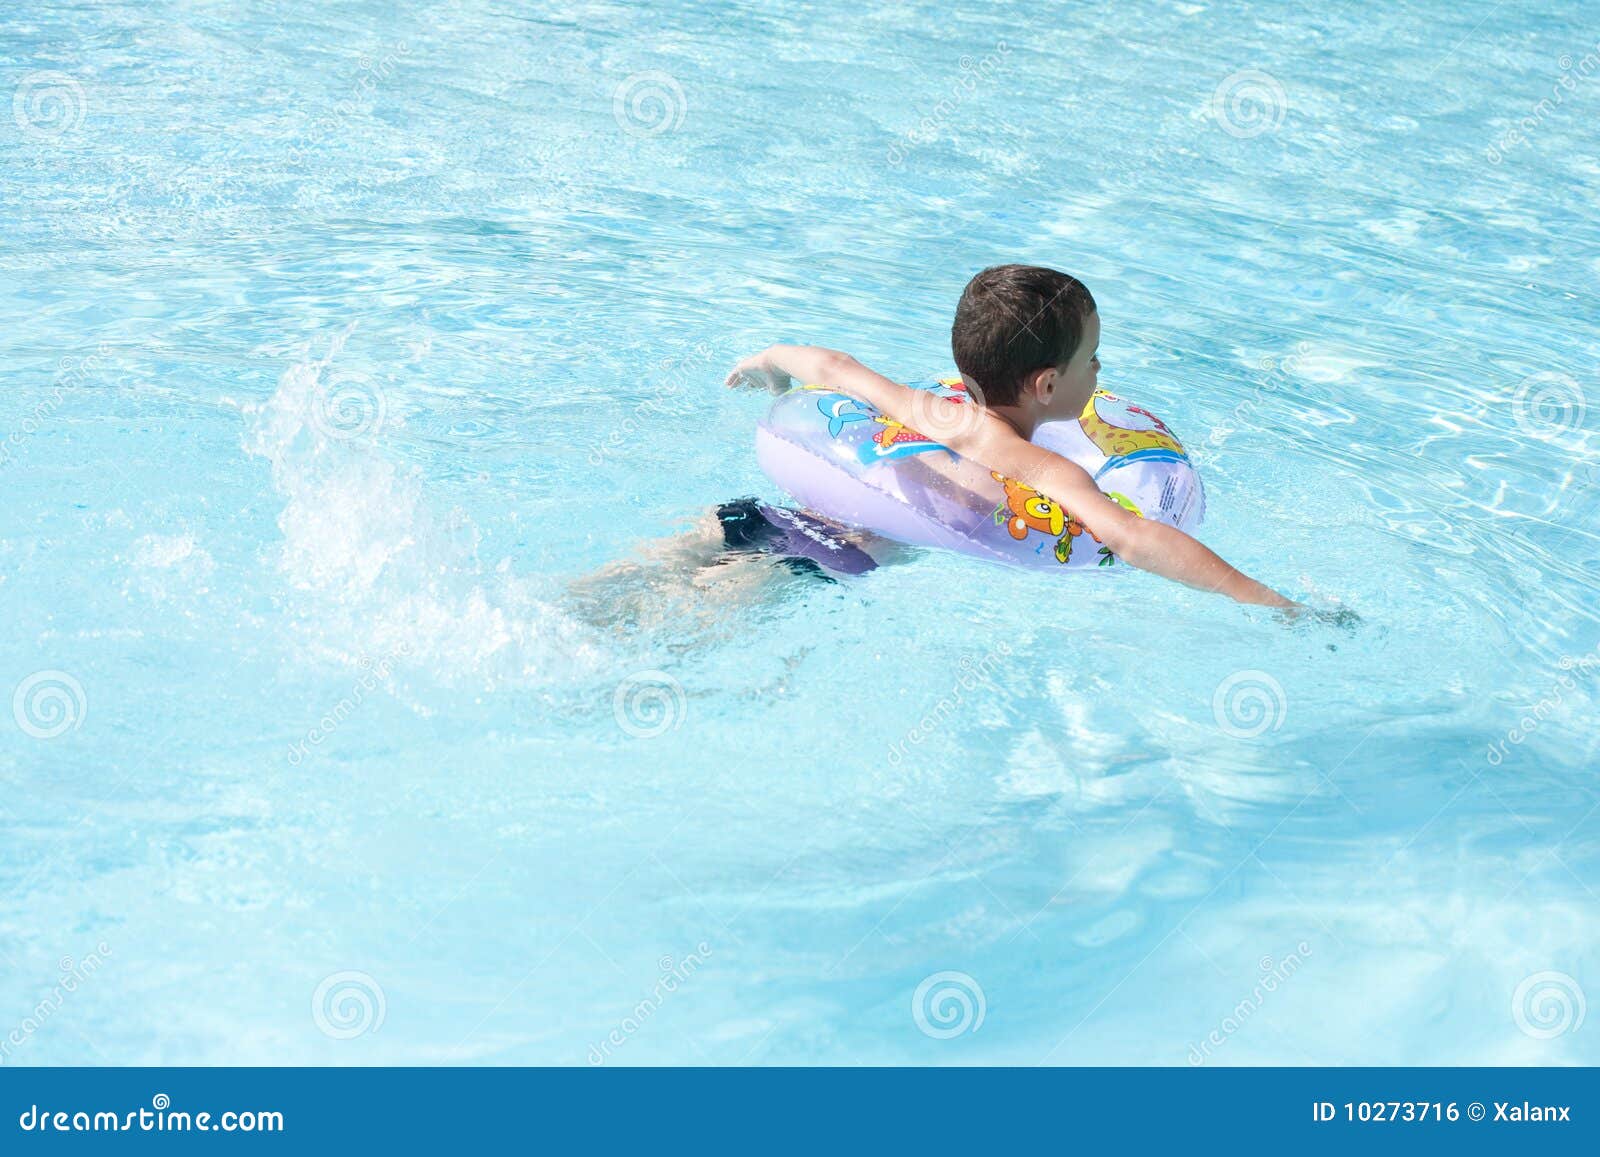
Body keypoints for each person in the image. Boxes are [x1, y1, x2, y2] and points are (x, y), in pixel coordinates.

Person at [724, 264, 1298, 610]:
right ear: (1047, 384)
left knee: (664, 586)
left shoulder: (921, 407)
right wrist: (1261, 597)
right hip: (827, 561)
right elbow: (1133, 539)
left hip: (771, 516)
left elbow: (834, 365)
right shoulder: (1041, 468)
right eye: (1091, 359)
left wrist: (768, 362)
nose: (1099, 371)